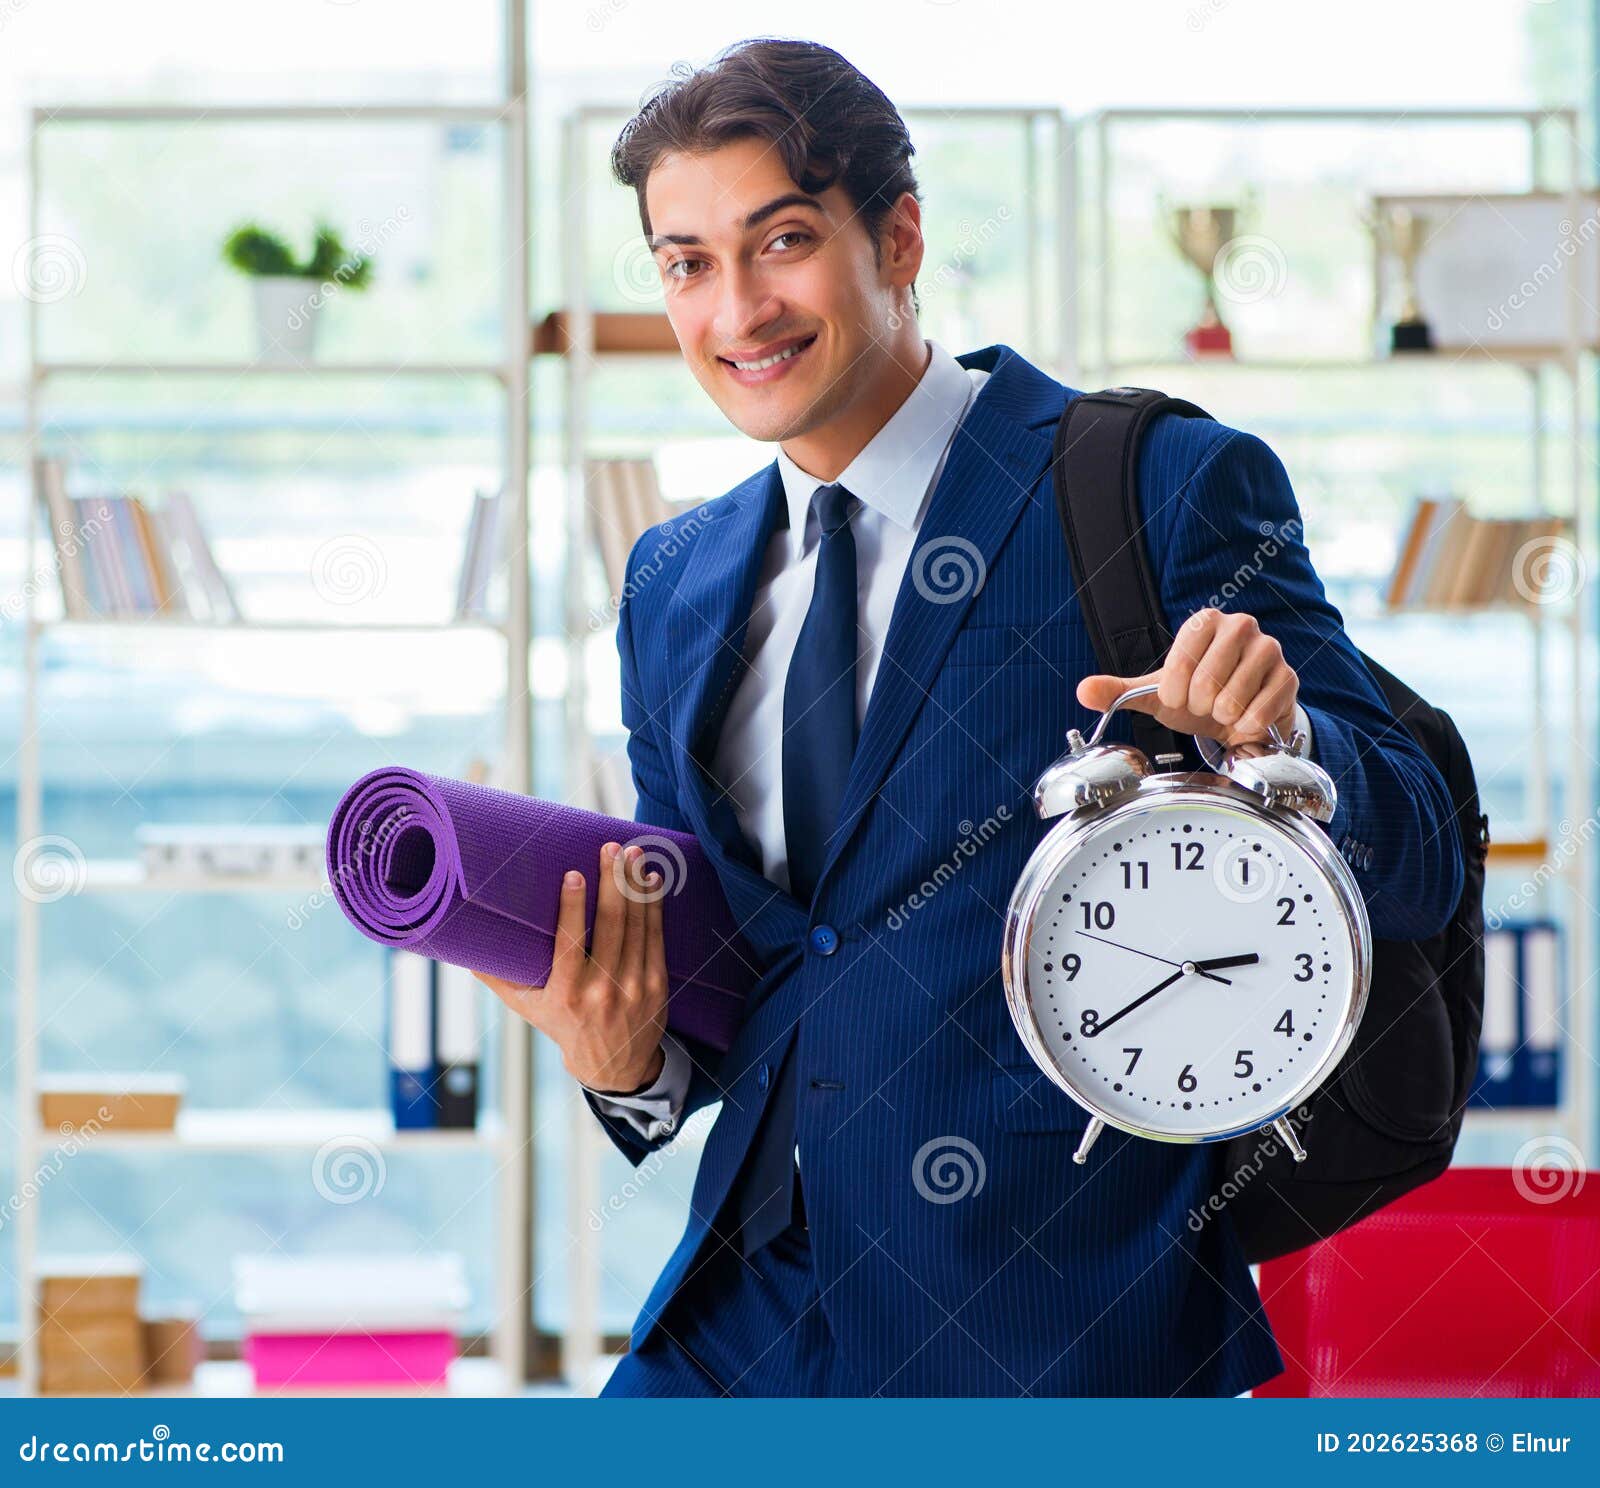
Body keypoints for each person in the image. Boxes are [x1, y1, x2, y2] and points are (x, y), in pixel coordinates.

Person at [473, 37, 1464, 1397]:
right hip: (744, 1328)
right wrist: (624, 1061)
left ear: (900, 237)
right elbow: (744, 980)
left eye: (783, 241)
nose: (738, 308)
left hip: (1056, 1335)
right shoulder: (672, 581)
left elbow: (1417, 853)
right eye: (687, 261)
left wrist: (1282, 752)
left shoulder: (1151, 485)